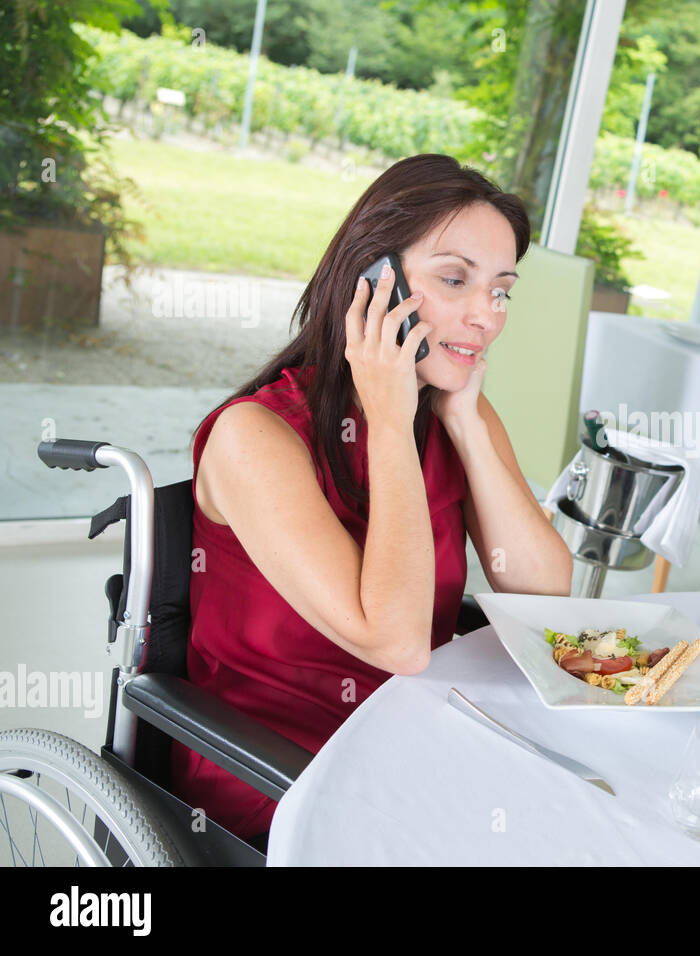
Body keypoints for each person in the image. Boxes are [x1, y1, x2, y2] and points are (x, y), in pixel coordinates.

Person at [175, 154, 573, 845]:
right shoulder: (255, 438)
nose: (488, 316)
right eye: (455, 280)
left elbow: (545, 591)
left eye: (502, 291)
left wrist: (465, 421)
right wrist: (388, 420)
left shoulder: (450, 417)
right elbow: (395, 641)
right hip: (277, 779)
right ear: (372, 283)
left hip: (408, 752)